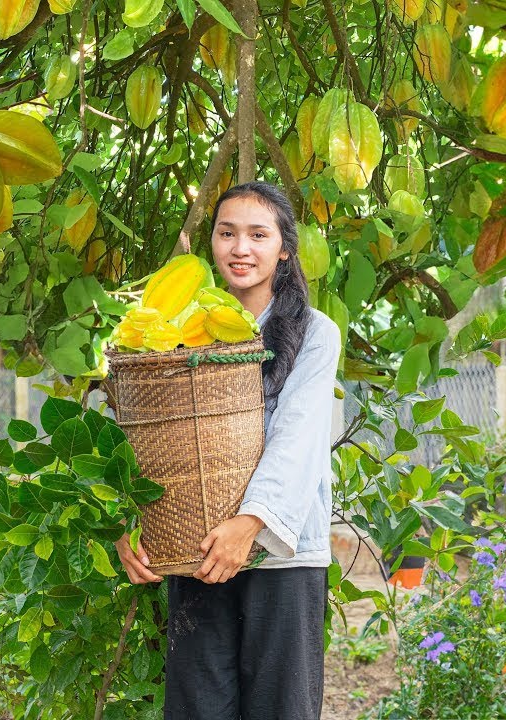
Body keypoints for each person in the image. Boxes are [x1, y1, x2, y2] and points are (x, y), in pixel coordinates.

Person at [114, 181, 341, 719]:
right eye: (227, 233)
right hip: (197, 553)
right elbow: (141, 433)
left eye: (258, 235)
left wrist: (249, 524)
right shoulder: (177, 331)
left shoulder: (313, 332)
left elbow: (299, 437)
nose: (241, 248)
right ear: (211, 244)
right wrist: (127, 524)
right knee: (198, 710)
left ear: (284, 247)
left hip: (282, 556)